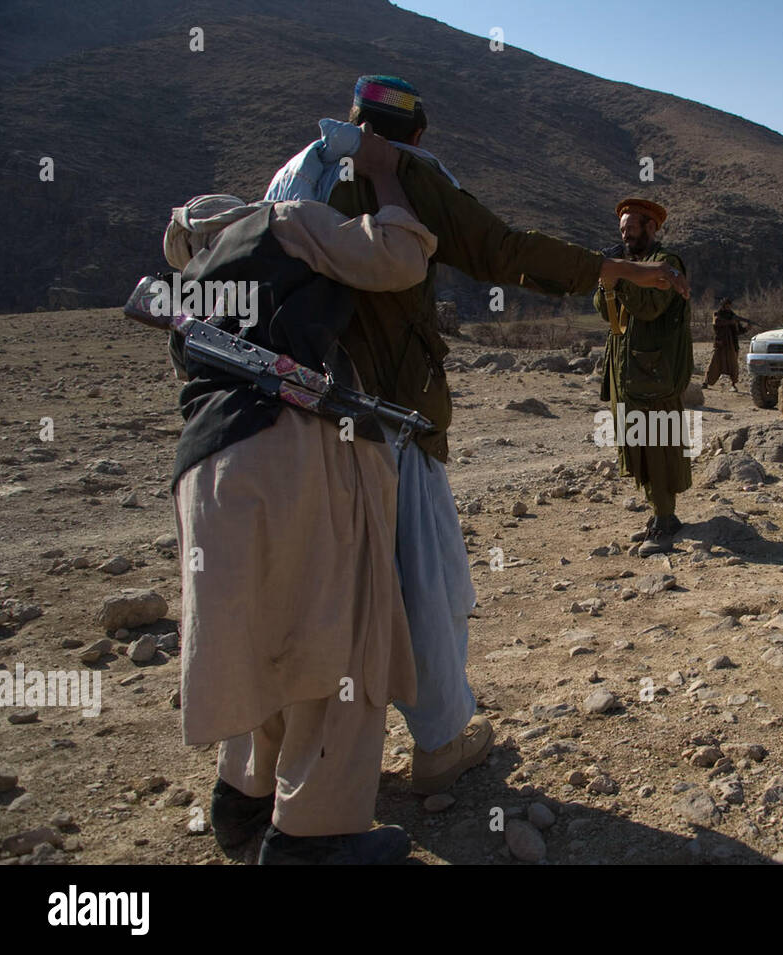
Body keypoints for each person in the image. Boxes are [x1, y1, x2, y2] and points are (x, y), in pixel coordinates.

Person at [265, 76, 688, 791]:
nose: (631, 231)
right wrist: (615, 271)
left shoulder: (294, 174)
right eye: (627, 228)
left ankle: (287, 774)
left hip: (297, 416)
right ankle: (439, 742)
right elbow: (502, 248)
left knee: (317, 589)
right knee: (425, 587)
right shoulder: (404, 175)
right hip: (392, 418)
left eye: (637, 228)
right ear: (418, 137)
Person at [164, 131, 438, 863]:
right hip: (289, 454)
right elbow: (400, 256)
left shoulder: (196, 274)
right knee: (343, 640)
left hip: (208, 469)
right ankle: (315, 835)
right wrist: (385, 180)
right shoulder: (286, 222)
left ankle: (243, 799)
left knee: (268, 639)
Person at [594, 197, 693, 557]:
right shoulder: (631, 266)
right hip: (629, 373)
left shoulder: (666, 265)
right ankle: (658, 515)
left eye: (631, 229)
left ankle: (667, 520)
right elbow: (604, 312)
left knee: (659, 446)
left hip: (656, 375)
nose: (625, 237)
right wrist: (610, 281)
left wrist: (619, 274)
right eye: (622, 230)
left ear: (651, 227)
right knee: (638, 446)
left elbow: (649, 307)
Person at [703, 297, 749, 391]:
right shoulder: (717, 314)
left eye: (729, 305)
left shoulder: (733, 316)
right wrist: (730, 322)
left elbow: (739, 331)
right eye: (726, 305)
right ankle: (706, 382)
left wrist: (747, 328)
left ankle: (733, 384)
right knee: (714, 363)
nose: (728, 307)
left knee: (733, 366)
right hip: (720, 343)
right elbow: (716, 323)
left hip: (732, 345)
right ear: (723, 306)